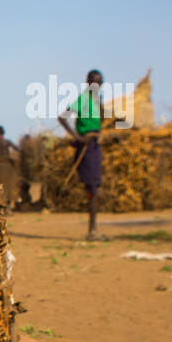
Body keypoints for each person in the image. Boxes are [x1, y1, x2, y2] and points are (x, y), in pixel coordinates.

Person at [57, 69, 105, 240]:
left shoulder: (97, 99)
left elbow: (101, 120)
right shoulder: (83, 99)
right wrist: (77, 136)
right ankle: (92, 231)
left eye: (99, 82)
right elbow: (62, 117)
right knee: (92, 188)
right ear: (88, 83)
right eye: (94, 82)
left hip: (94, 146)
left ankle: (94, 229)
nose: (97, 85)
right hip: (86, 147)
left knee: (95, 187)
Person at [0, 126, 20, 210]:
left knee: (1, 186)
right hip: (7, 166)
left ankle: (3, 205)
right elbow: (17, 149)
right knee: (8, 186)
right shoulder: (7, 142)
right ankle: (7, 206)